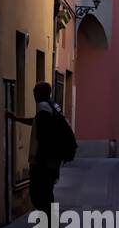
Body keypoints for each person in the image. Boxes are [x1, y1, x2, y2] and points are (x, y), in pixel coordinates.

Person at [5, 82, 75, 212]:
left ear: (40, 93)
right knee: (47, 194)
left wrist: (38, 158)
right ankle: (50, 226)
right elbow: (37, 122)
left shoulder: (43, 107)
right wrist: (16, 119)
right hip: (53, 160)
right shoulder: (53, 106)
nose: (33, 94)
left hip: (44, 161)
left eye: (35, 92)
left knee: (39, 195)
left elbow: (43, 135)